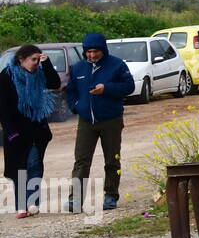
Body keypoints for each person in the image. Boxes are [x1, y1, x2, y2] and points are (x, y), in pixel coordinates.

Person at [66, 32, 134, 212]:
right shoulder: (79, 68)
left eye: (96, 51)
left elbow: (129, 87)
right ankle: (75, 199)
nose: (92, 55)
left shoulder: (117, 65)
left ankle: (111, 195)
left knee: (112, 160)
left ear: (103, 50)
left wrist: (107, 88)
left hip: (111, 119)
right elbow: (71, 90)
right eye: (88, 51)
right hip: (86, 121)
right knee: (81, 160)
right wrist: (76, 106)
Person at [0, 45, 60, 217]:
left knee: (34, 165)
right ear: (21, 59)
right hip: (16, 132)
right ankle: (21, 206)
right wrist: (10, 131)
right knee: (19, 168)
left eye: (37, 59)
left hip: (37, 129)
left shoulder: (40, 75)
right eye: (32, 59)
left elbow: (55, 83)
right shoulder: (6, 76)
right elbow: (2, 107)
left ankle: (32, 203)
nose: (35, 63)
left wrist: (46, 64)